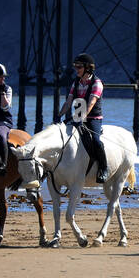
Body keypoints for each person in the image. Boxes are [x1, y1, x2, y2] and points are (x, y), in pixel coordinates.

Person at [57, 53, 107, 183]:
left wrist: (82, 118)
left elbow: (90, 103)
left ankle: (103, 168)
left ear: (87, 68)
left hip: (93, 118)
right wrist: (59, 116)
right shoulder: (76, 82)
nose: (76, 69)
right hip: (78, 116)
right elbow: (68, 102)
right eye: (75, 67)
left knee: (96, 141)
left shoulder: (97, 83)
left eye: (79, 67)